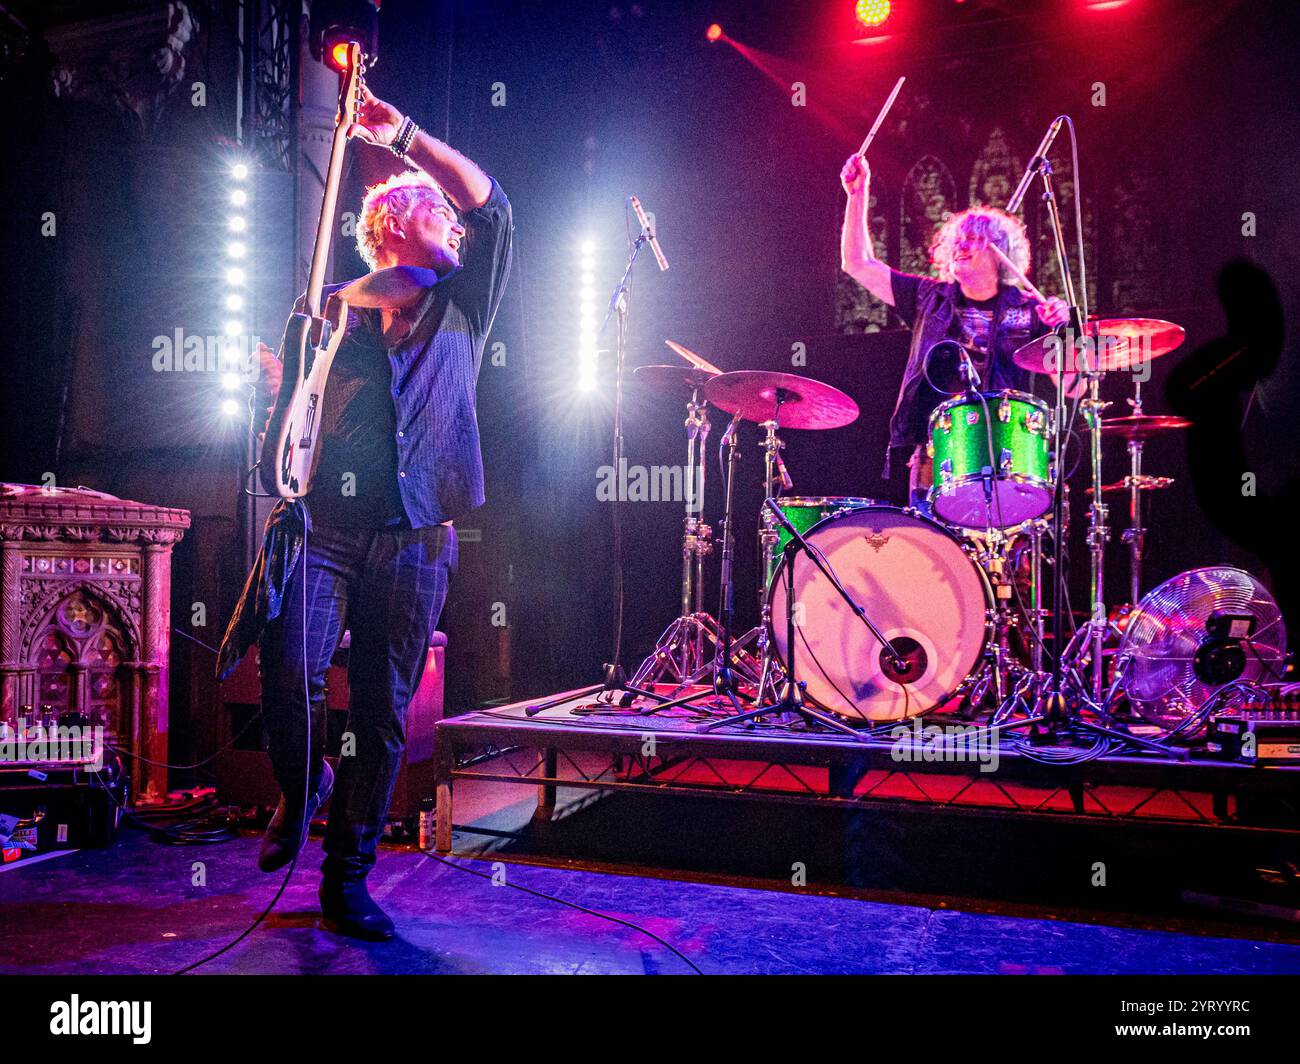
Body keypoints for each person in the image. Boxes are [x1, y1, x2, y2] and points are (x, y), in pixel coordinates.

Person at [220, 86, 512, 940]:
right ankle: (301, 783)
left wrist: (404, 135)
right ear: (389, 223)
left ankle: (345, 880)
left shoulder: (462, 303)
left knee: (382, 712)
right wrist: (280, 392)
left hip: (416, 539)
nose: (454, 229)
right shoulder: (325, 313)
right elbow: (285, 442)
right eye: (437, 218)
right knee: (289, 675)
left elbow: (493, 207)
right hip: (324, 531)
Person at [838, 153, 1071, 504]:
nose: (961, 245)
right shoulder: (927, 297)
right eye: (957, 239)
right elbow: (857, 263)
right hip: (938, 451)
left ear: (1000, 253)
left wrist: (1065, 332)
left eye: (975, 239)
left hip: (1009, 450)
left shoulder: (1030, 308)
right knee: (938, 553)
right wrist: (857, 194)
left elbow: (1072, 387)